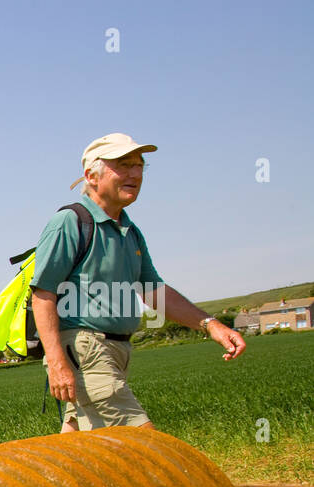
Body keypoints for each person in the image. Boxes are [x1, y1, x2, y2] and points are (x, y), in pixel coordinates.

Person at [32, 133, 246, 432]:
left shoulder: (129, 231)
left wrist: (212, 324)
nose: (135, 173)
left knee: (79, 448)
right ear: (91, 175)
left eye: (139, 165)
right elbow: (43, 294)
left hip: (117, 352)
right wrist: (56, 362)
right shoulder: (70, 222)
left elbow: (153, 291)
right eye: (123, 164)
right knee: (145, 444)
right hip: (85, 351)